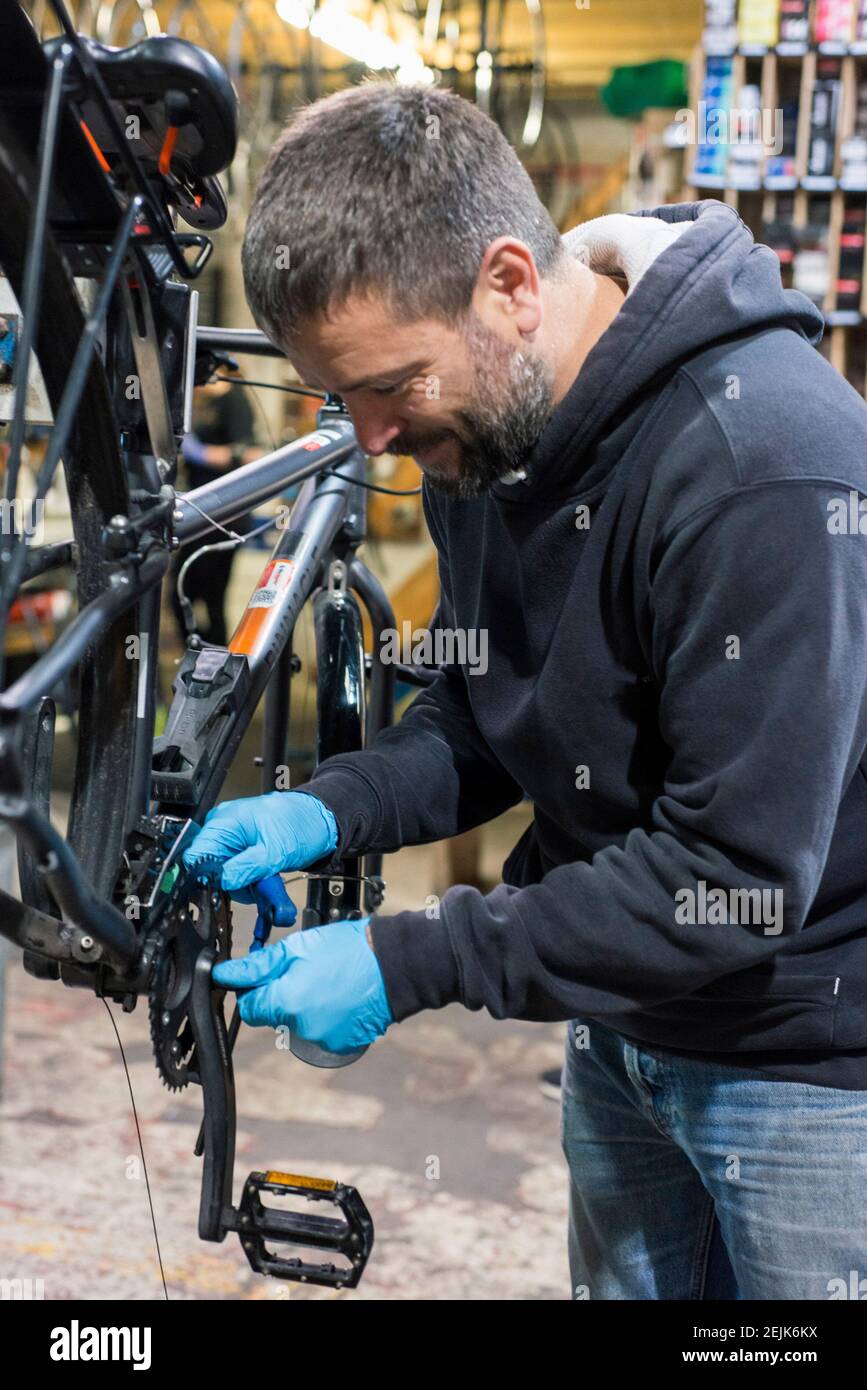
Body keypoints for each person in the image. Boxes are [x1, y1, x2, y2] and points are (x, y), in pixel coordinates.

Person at [185, 82, 867, 1300]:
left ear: (507, 284)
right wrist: (334, 806)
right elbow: (485, 707)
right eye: (344, 398)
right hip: (624, 1028)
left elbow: (735, 877)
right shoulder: (486, 429)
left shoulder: (762, 462)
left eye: (392, 385)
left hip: (810, 1073)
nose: (373, 437)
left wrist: (412, 961)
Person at [170, 375, 260, 647]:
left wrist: (202, 453)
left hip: (224, 516)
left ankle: (216, 661)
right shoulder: (203, 401)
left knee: (213, 599)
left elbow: (251, 453)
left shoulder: (235, 400)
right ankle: (200, 654)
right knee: (181, 594)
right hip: (199, 514)